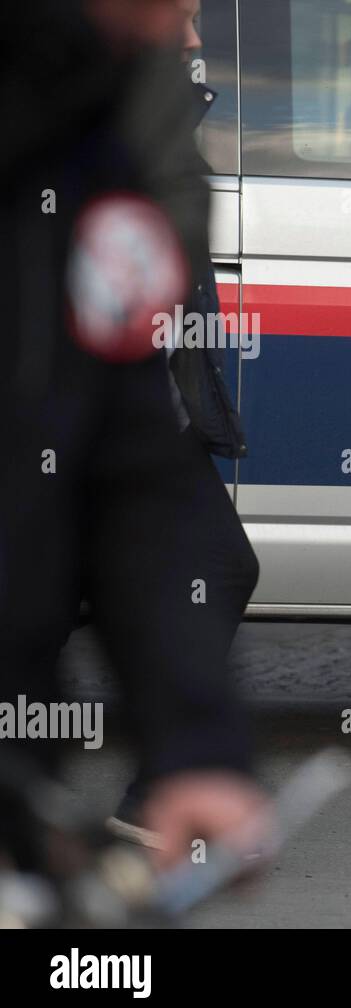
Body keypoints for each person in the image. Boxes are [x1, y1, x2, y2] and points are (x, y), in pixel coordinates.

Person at [0, 0, 267, 875]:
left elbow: (129, 461)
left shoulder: (99, 148)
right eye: (169, 7)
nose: (185, 35)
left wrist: (197, 748)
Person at [106, 0, 261, 849]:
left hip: (123, 418)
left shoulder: (142, 111)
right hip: (73, 423)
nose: (198, 39)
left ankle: (150, 798)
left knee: (217, 564)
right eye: (183, 15)